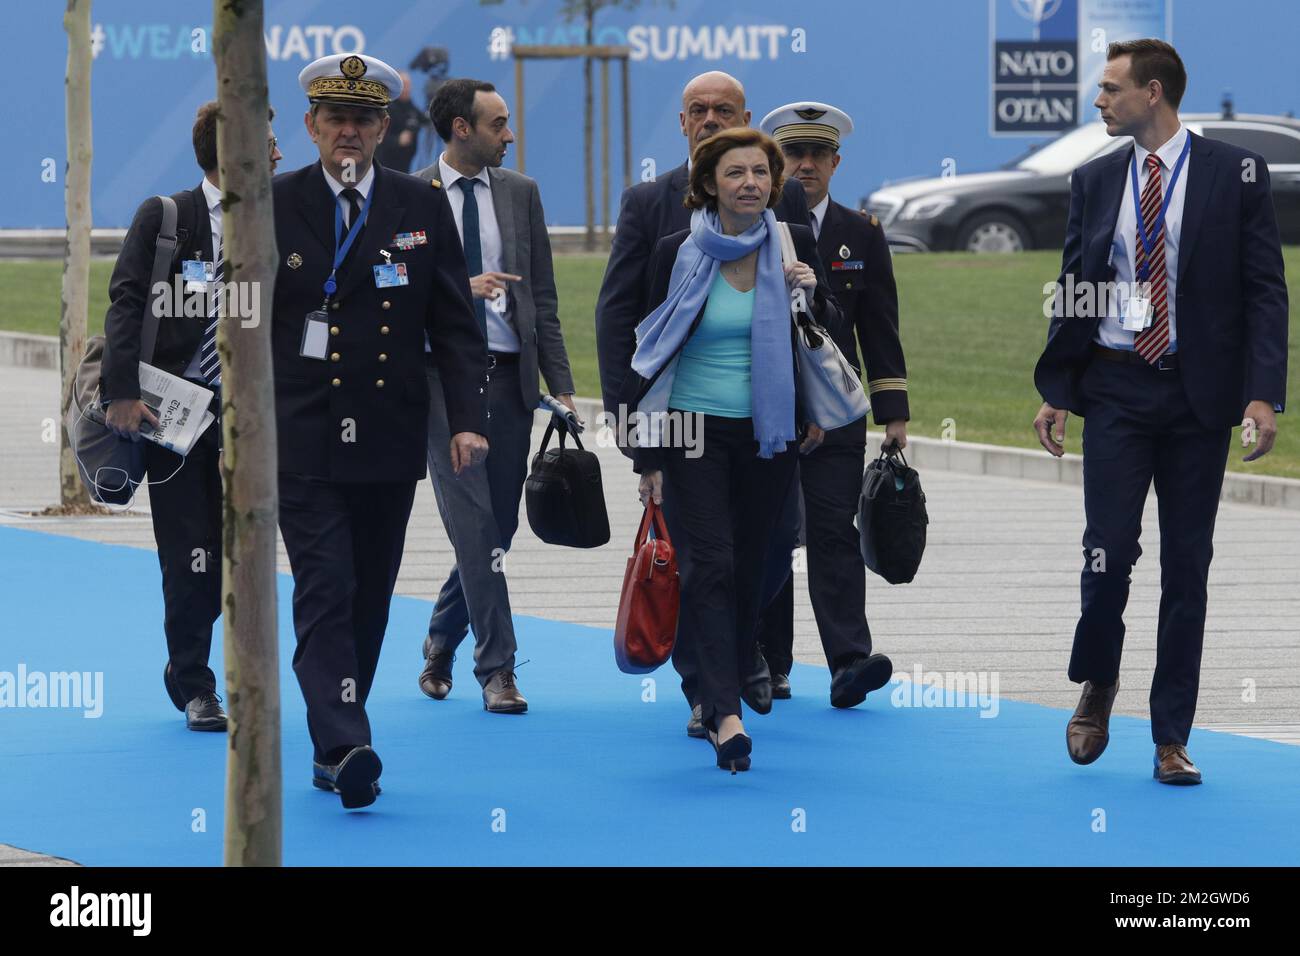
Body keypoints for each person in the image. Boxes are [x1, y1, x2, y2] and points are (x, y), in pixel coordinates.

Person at [1033, 39, 1288, 785]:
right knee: (1107, 552)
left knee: (1187, 565)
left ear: (1154, 92)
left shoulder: (1234, 174)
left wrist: (1262, 393)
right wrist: (1059, 387)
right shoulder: (1094, 177)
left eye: (1110, 89)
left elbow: (1265, 291)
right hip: (1115, 387)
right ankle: (1097, 683)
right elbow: (1076, 284)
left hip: (1197, 396)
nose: (1099, 102)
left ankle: (1171, 734)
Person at [272, 53, 488, 809]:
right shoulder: (272, 204)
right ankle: (343, 738)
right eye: (336, 118)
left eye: (365, 118)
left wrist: (466, 421)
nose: (351, 131)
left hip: (391, 433)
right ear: (311, 126)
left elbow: (457, 326)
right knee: (325, 585)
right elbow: (240, 322)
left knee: (369, 594)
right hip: (300, 432)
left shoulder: (420, 206)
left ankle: (338, 737)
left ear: (384, 128)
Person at [595, 71, 831, 738]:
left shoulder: (789, 235)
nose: (708, 118)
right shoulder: (652, 209)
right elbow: (624, 318)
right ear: (683, 124)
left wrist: (808, 293)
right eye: (696, 110)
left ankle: (731, 660)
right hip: (688, 423)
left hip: (769, 425)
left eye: (721, 110)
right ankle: (710, 692)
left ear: (744, 116)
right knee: (705, 558)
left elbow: (823, 334)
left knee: (769, 549)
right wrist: (626, 415)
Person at [100, 100, 281, 733]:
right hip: (176, 418)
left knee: (250, 553)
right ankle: (196, 682)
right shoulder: (167, 217)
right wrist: (119, 392)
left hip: (255, 420)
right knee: (190, 554)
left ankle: (245, 677)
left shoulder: (278, 218)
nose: (279, 153)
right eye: (267, 143)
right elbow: (126, 304)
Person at [411, 79, 578, 714]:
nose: (509, 135)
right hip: (437, 381)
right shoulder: (410, 196)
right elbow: (389, 288)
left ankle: (439, 638)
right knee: (476, 526)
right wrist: (456, 287)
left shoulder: (522, 194)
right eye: (498, 124)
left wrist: (559, 384)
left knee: (499, 528)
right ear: (460, 129)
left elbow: (544, 295)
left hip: (511, 380)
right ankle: (498, 668)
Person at [754, 102, 908, 707]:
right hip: (767, 406)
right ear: (776, 160)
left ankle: (848, 660)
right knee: (771, 533)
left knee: (832, 531)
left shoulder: (861, 231)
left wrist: (893, 410)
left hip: (838, 409)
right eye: (794, 154)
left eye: (819, 154)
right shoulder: (753, 223)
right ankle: (771, 660)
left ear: (837, 162)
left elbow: (880, 326)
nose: (806, 165)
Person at [375, 71, 426, 173]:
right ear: (397, 87)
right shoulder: (386, 108)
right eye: (404, 85)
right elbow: (377, 137)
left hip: (405, 164)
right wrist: (397, 140)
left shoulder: (411, 106)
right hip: (386, 164)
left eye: (408, 85)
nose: (407, 89)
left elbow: (424, 120)